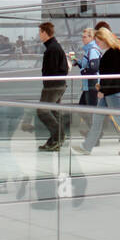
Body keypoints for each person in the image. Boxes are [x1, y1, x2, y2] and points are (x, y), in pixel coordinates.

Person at [74, 23, 120, 155]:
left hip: (113, 91)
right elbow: (109, 76)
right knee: (98, 118)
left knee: (119, 118)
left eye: (98, 41)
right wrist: (101, 87)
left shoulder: (112, 53)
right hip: (110, 90)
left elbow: (111, 76)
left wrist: (102, 90)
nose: (97, 44)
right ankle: (87, 146)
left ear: (104, 39)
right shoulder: (112, 52)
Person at [36, 21, 70, 152]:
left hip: (53, 86)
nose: (39, 35)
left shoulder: (53, 49)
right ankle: (55, 139)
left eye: (40, 32)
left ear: (45, 33)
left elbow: (57, 69)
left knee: (42, 111)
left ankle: (58, 136)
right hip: (57, 85)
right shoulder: (54, 47)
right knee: (54, 112)